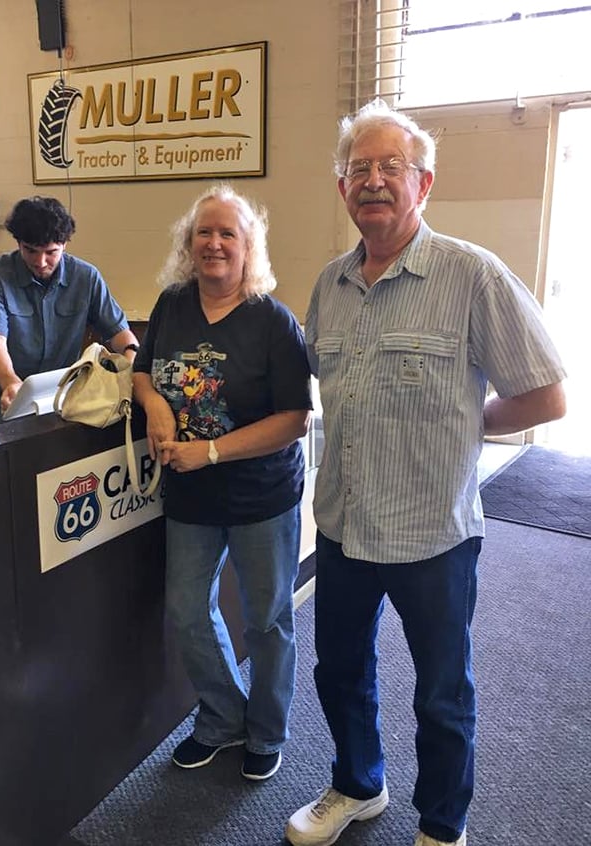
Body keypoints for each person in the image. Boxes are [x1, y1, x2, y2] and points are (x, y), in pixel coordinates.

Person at [285, 100, 566, 846]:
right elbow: (323, 385)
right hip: (343, 526)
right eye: (358, 170)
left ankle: (443, 824)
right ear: (342, 187)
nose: (373, 181)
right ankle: (357, 785)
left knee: (442, 695)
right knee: (340, 672)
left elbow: (546, 393)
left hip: (433, 533)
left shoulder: (472, 275)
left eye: (391, 169)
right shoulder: (328, 286)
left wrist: (463, 427)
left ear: (424, 184)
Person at [132, 184, 312, 781]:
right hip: (190, 497)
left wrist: (209, 451)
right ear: (189, 244)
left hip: (260, 495)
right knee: (187, 611)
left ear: (247, 247)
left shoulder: (274, 322)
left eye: (226, 234)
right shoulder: (171, 304)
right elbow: (141, 371)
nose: (214, 243)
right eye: (203, 233)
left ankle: (267, 730)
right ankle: (221, 718)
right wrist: (155, 403)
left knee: (265, 619)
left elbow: (293, 420)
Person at [0, 196, 139, 428]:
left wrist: (130, 365)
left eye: (51, 252)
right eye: (30, 251)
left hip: (58, 402)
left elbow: (120, 333)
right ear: (18, 242)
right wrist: (9, 381)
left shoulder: (86, 278)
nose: (41, 261)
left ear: (65, 244)